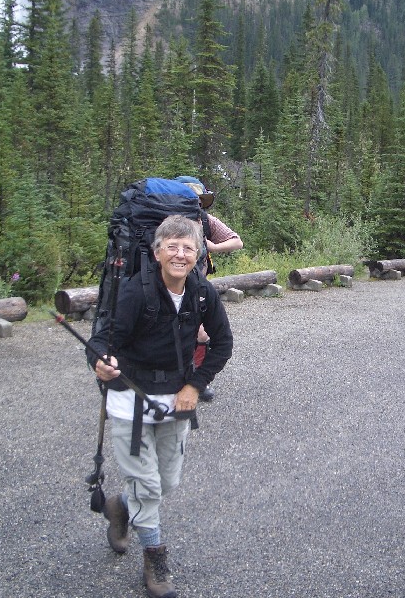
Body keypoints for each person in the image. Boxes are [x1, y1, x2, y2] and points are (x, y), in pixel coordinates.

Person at [88, 215, 233, 597]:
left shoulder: (202, 294)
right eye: (172, 246)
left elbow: (223, 344)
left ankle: (120, 506)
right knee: (150, 486)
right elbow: (102, 339)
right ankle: (155, 558)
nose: (180, 254)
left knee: (166, 481)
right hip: (130, 400)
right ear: (156, 253)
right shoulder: (135, 292)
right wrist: (102, 363)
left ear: (198, 254)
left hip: (178, 398)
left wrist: (195, 385)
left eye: (188, 248)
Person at [176, 177, 243, 402]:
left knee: (202, 333)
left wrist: (213, 246)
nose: (194, 204)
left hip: (197, 289)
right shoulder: (166, 221)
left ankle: (196, 380)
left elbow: (237, 241)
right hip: (166, 288)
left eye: (197, 200)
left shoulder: (205, 221)